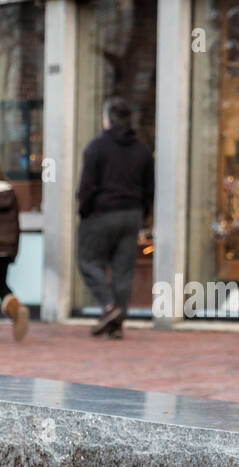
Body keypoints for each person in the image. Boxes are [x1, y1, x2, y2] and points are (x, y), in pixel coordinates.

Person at [76, 96, 154, 339]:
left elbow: (87, 185)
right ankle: (117, 324)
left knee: (88, 261)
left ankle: (109, 307)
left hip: (102, 212)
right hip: (131, 214)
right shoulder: (142, 150)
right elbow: (149, 188)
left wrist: (84, 210)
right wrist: (143, 214)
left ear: (108, 119)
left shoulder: (97, 147)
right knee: (123, 270)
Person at [0, 170, 28, 341]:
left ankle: (17, 310)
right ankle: (16, 309)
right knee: (1, 285)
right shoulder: (10, 191)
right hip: (6, 248)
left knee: (1, 285)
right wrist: (13, 251)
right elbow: (17, 225)